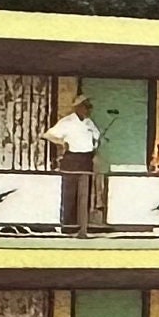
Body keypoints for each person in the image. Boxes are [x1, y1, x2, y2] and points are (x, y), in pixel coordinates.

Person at [44, 96, 102, 229]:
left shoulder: (89, 122)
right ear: (79, 107)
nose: (89, 110)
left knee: (85, 192)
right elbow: (48, 135)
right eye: (86, 107)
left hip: (86, 159)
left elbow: (96, 137)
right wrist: (62, 143)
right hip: (72, 159)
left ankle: (81, 225)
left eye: (90, 107)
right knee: (70, 192)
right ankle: (68, 225)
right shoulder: (68, 121)